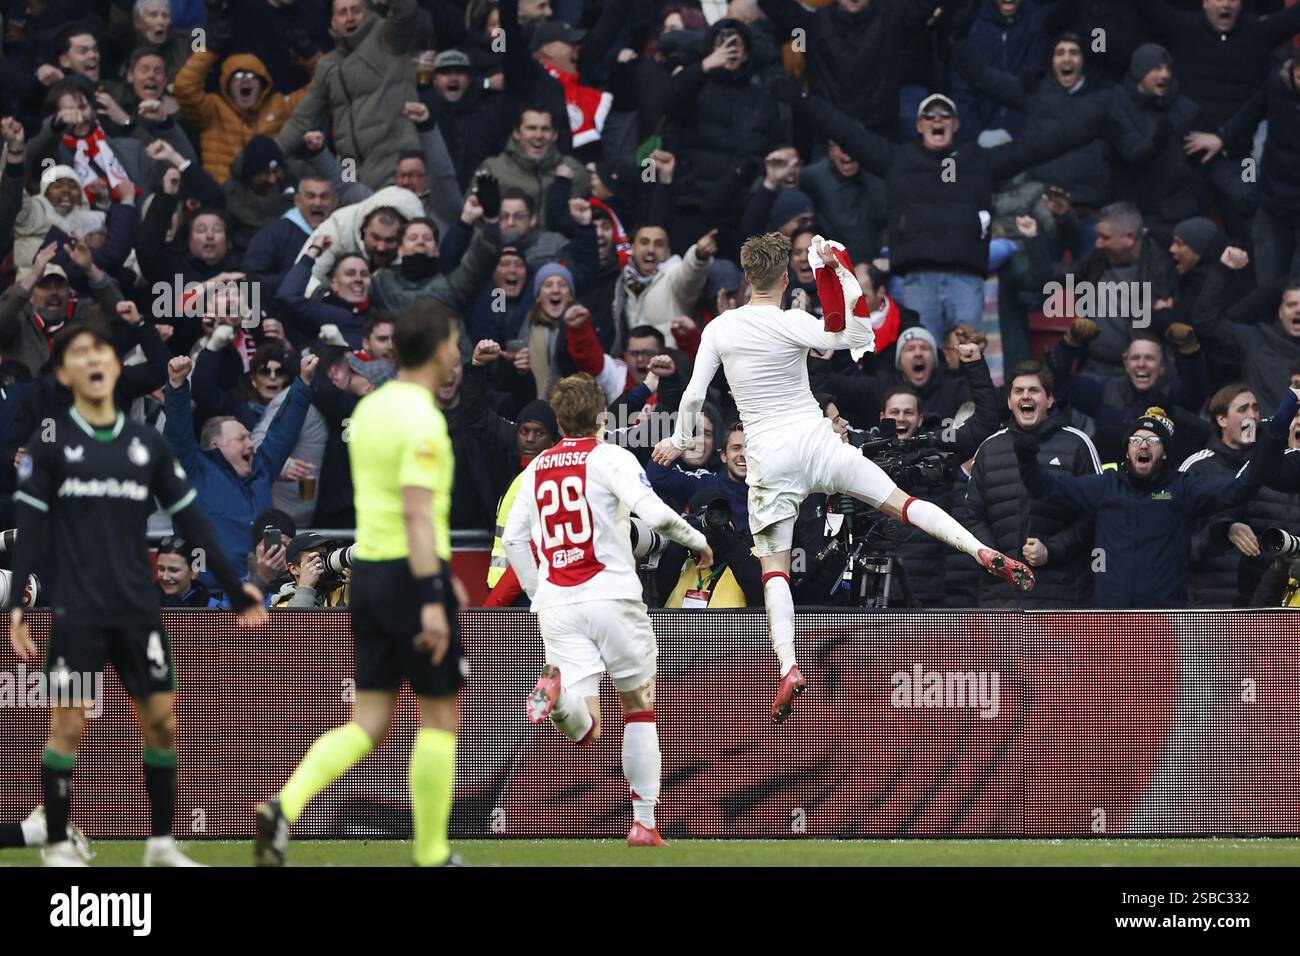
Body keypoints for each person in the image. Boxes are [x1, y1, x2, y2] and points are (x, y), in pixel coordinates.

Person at [653, 233, 1034, 723]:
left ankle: (788, 667)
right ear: (786, 277)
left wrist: (681, 441)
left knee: (774, 572)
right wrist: (839, 274)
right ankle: (979, 550)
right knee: (903, 503)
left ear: (747, 277)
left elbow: (691, 396)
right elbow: (855, 337)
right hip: (818, 442)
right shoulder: (793, 321)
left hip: (770, 458)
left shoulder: (720, 329)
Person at [6, 320, 266, 867]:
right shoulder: (49, 447)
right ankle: (55, 845)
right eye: (80, 353)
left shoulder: (145, 444)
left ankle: (162, 844)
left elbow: (192, 522)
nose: (94, 360)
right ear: (64, 372)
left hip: (137, 611)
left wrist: (239, 586)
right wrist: (16, 609)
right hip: (77, 613)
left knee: (162, 720)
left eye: (101, 349)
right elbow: (29, 530)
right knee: (68, 725)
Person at [256, 303, 468, 868]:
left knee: (369, 720)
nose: (458, 354)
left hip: (367, 573)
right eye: (454, 342)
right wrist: (432, 596)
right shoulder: (422, 418)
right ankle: (430, 853)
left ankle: (285, 803)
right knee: (440, 715)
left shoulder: (371, 409)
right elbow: (418, 514)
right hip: (407, 574)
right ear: (438, 347)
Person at [502, 373, 713, 847]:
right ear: (601, 416)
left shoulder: (534, 470)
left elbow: (514, 538)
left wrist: (540, 593)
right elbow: (654, 514)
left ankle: (556, 700)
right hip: (611, 596)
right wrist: (698, 541)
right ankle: (643, 823)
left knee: (589, 727)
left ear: (556, 420)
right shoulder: (610, 457)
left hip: (557, 603)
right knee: (639, 707)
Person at [1014, 397, 1294, 608]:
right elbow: (1045, 488)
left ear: (1164, 454)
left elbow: (1240, 489)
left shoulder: (1182, 488)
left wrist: (1277, 427)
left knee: (1162, 688)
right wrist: (1025, 457)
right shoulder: (1105, 487)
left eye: (1153, 440)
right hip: (1110, 622)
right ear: (1127, 449)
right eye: (1136, 439)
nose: (1143, 445)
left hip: (1165, 622)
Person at [155, 534, 218, 607]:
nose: (165, 577)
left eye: (174, 570)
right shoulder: (144, 605)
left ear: (194, 572)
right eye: (161, 569)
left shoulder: (217, 610)